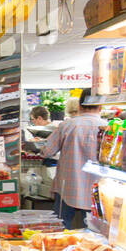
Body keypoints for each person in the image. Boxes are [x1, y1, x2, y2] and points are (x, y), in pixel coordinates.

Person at [41, 98, 106, 229]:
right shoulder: (108, 127)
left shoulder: (67, 125)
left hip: (67, 187)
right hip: (96, 190)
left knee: (60, 229)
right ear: (100, 107)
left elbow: (46, 151)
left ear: (80, 106)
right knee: (95, 233)